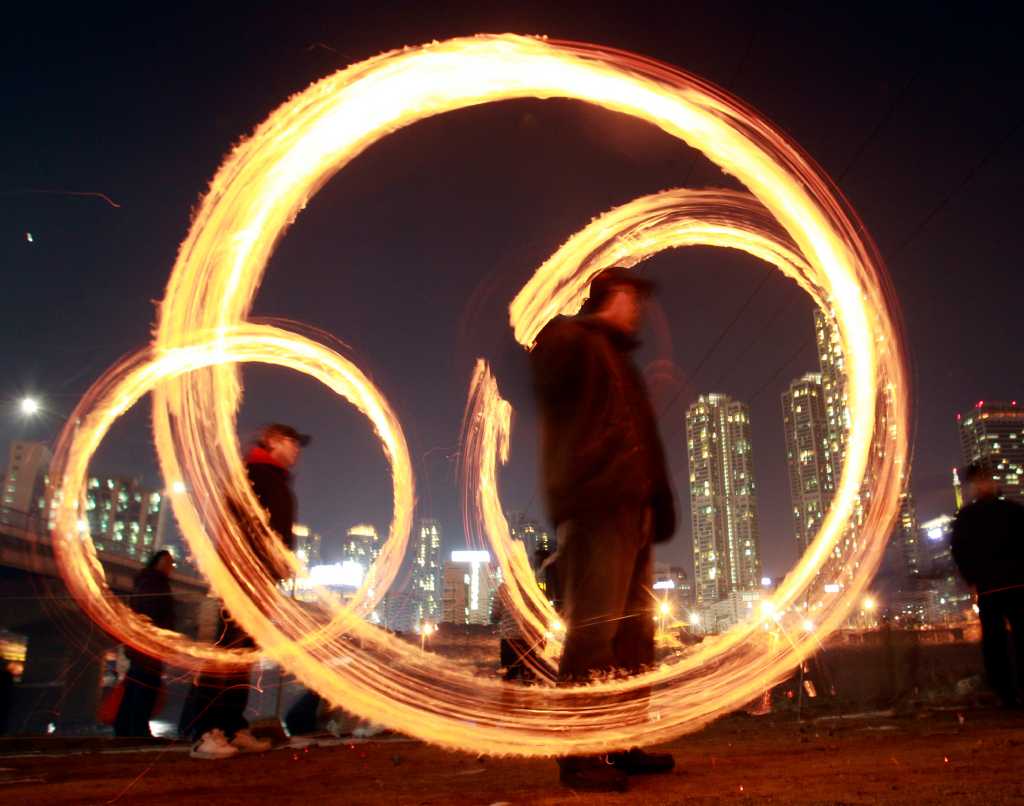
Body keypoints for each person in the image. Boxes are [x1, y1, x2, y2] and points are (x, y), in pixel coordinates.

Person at [531, 266, 677, 792]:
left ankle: (621, 742)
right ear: (612, 295)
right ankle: (580, 754)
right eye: (634, 297)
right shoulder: (576, 342)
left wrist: (656, 503)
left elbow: (638, 439)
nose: (639, 308)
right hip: (598, 508)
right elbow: (545, 366)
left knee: (637, 635)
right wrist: (566, 324)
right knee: (595, 629)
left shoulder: (621, 363)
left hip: (633, 510)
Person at [188, 423, 310, 759]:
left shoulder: (272, 478)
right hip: (243, 577)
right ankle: (205, 735)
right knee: (228, 654)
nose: (296, 449)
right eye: (291, 441)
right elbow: (234, 527)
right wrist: (245, 567)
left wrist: (279, 562)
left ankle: (231, 728)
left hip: (261, 579)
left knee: (243, 657)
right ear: (272, 441)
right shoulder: (251, 475)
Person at [950, 461, 1024, 708]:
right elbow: (960, 551)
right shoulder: (1010, 512)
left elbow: (960, 551)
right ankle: (1007, 694)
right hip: (1002, 587)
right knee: (999, 643)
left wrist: (972, 579)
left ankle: (1008, 695)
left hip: (1001, 587)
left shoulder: (970, 517)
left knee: (998, 644)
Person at [114, 550, 176, 737]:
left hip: (143, 645)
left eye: (171, 564)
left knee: (136, 687)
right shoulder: (154, 583)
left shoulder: (147, 581)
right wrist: (158, 636)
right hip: (148, 646)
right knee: (145, 687)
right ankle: (138, 730)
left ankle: (125, 728)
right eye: (166, 562)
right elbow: (151, 613)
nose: (169, 567)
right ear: (155, 563)